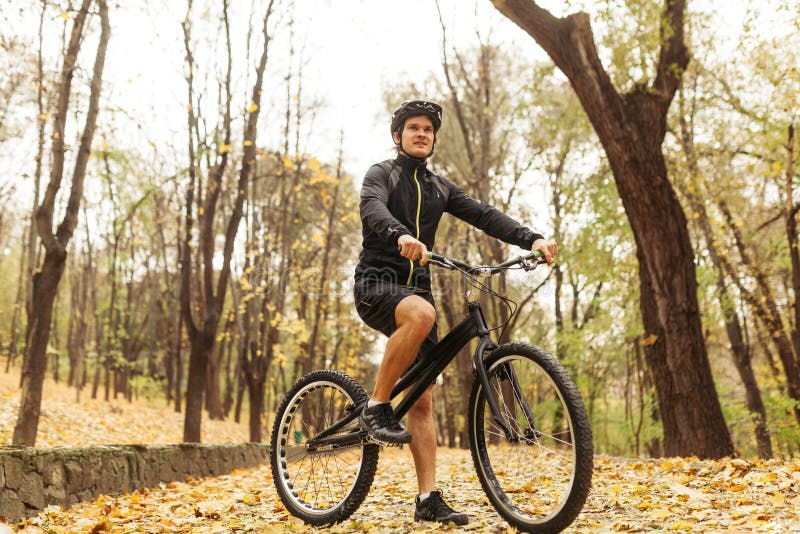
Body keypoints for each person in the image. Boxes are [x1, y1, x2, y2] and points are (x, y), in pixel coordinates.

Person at [353, 99, 558, 526]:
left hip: (417, 289)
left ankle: (427, 498)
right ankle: (376, 405)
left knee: (422, 397)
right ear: (398, 136)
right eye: (414, 127)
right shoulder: (382, 173)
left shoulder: (439, 188)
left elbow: (484, 215)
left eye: (428, 129)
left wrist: (531, 239)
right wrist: (400, 235)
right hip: (376, 283)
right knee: (422, 314)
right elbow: (373, 208)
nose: (422, 133)